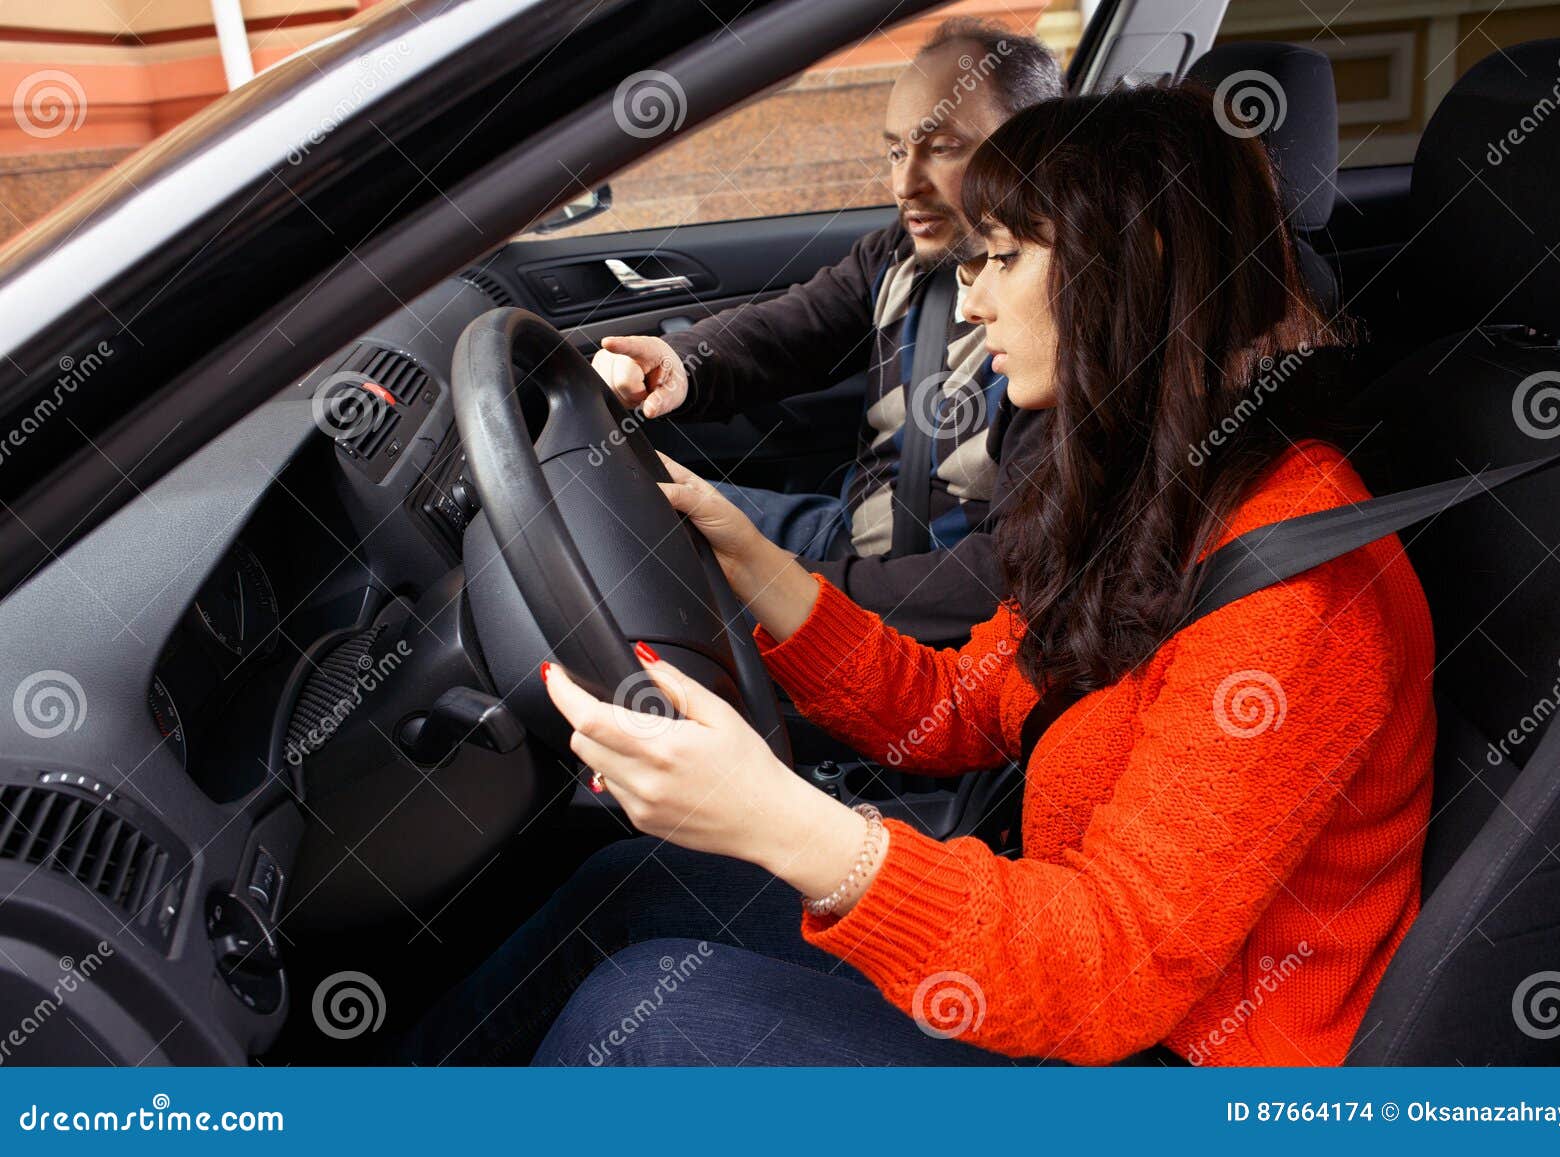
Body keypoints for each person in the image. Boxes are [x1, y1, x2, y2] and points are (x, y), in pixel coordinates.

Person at [396, 84, 1436, 1067]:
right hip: (1065, 963)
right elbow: (971, 706)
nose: (971, 302)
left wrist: (788, 823)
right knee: (624, 888)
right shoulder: (1147, 484)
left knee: (641, 1018)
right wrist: (755, 564)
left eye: (1003, 257)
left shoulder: (1294, 588)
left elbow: (1116, 970)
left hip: (1173, 1061)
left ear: (1135, 263)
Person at [592, 17, 1061, 643]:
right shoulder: (900, 256)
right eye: (897, 150)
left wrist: (789, 587)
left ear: (1031, 149)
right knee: (607, 501)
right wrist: (678, 361)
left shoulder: (1060, 332)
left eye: (943, 147)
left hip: (922, 608)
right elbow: (786, 330)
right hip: (844, 535)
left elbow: (1000, 581)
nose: (903, 184)